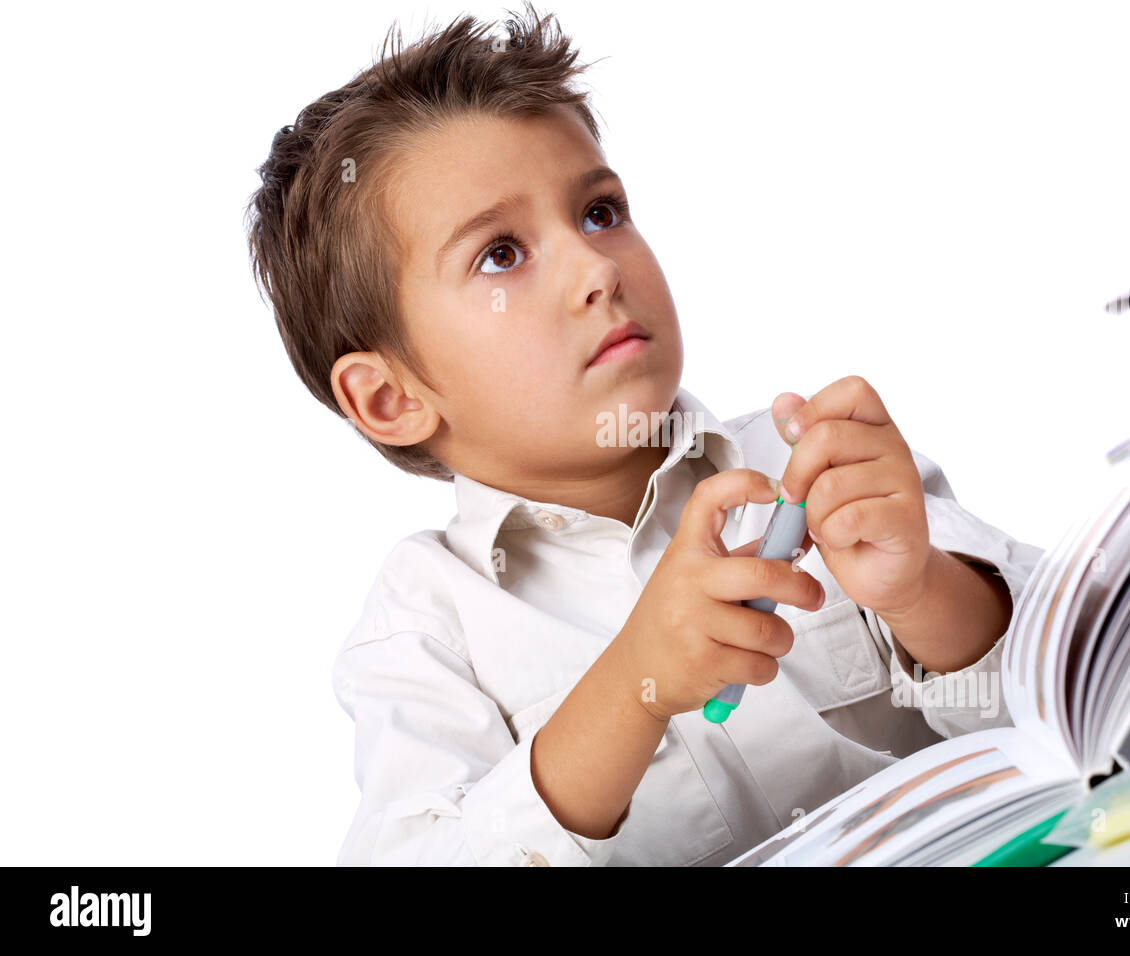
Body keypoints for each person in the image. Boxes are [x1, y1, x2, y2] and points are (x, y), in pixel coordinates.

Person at [244, 2, 1046, 866]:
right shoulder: (425, 631)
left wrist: (922, 592)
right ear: (389, 398)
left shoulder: (811, 463)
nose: (596, 267)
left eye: (600, 212)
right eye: (502, 254)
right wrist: (633, 686)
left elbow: (1079, 702)